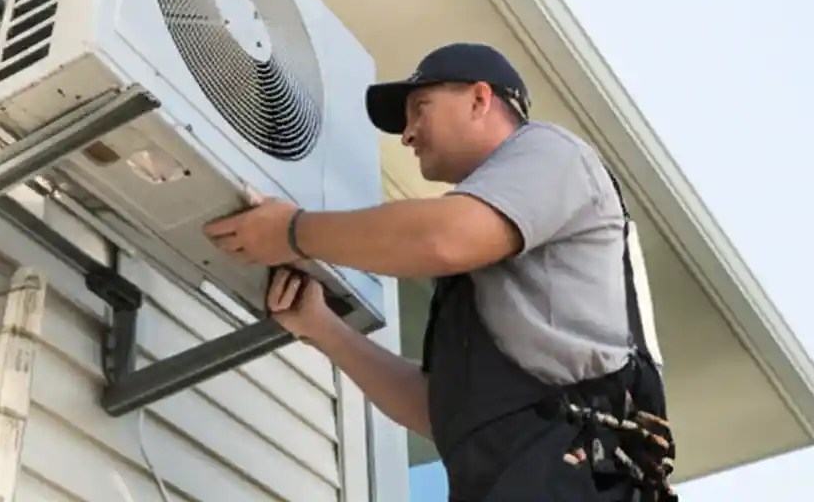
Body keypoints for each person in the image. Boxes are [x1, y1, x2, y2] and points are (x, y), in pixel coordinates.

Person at [203, 42, 676, 501]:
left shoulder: (552, 152)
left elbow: (441, 239)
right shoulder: (481, 277)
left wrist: (292, 231)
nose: (407, 134)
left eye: (420, 108)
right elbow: (438, 410)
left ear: (479, 98)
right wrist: (320, 327)